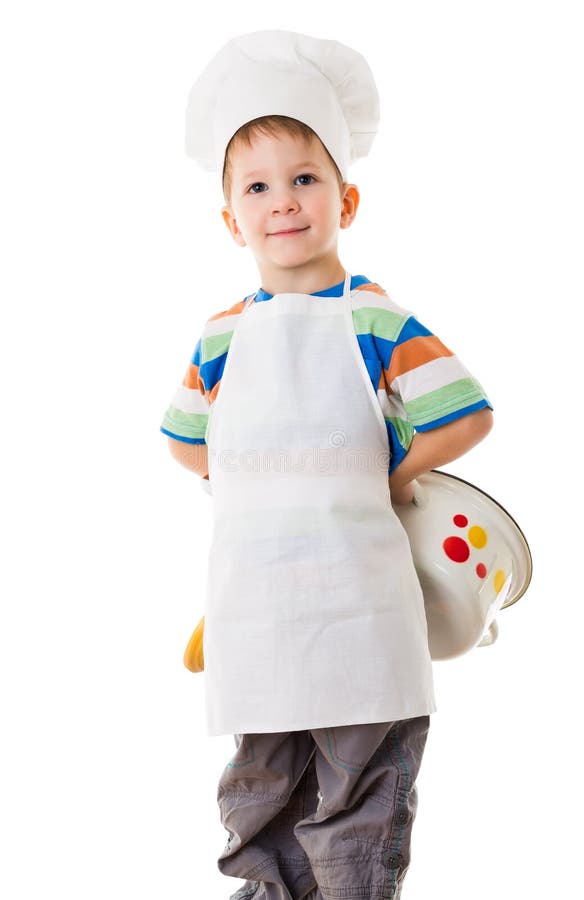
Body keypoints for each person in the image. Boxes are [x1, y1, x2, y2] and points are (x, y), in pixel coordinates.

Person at [160, 30, 494, 900]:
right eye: (258, 188)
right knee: (261, 801)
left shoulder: (376, 317)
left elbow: (466, 415)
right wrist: (251, 494)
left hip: (362, 617)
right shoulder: (222, 333)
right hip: (256, 618)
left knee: (356, 816)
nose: (285, 204)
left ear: (347, 198)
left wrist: (383, 479)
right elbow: (185, 439)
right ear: (232, 218)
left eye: (305, 179)